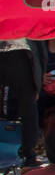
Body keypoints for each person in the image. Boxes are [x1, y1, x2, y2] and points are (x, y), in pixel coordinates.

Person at [0, 39, 40, 167]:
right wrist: (37, 85)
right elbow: (40, 50)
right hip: (22, 50)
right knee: (28, 108)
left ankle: (28, 154)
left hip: (19, 49)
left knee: (28, 108)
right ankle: (29, 155)